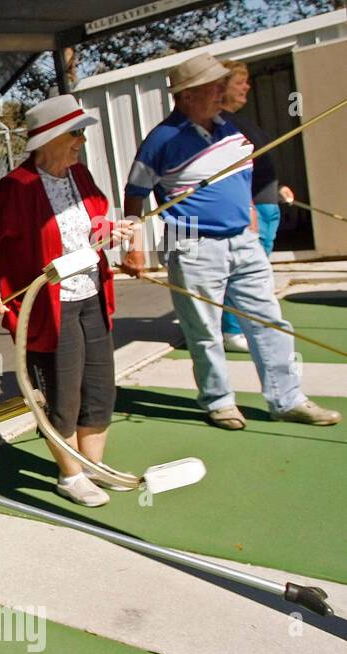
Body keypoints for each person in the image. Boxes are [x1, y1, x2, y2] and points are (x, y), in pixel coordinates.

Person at [121, 53, 339, 430]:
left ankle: (287, 400)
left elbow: (243, 176)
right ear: (187, 95)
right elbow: (135, 192)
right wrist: (132, 245)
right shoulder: (162, 139)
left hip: (242, 240)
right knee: (203, 329)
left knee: (268, 321)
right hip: (189, 239)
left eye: (223, 83)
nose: (222, 90)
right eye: (213, 85)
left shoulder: (231, 129)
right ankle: (219, 401)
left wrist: (249, 215)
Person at [0, 95, 136, 507]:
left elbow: (95, 219)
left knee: (99, 388)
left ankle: (94, 468)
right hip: (48, 313)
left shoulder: (79, 177)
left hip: (92, 298)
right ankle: (70, 477)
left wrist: (109, 229)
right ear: (50, 137)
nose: (80, 142)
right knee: (63, 395)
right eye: (75, 133)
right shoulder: (13, 191)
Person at [217, 59, 297, 353]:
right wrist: (248, 207)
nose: (247, 87)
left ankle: (248, 323)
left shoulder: (243, 121)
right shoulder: (222, 125)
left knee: (259, 272)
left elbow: (258, 166)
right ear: (222, 87)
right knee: (245, 273)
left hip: (266, 205)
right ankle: (233, 330)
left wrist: (278, 188)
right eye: (240, 82)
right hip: (250, 212)